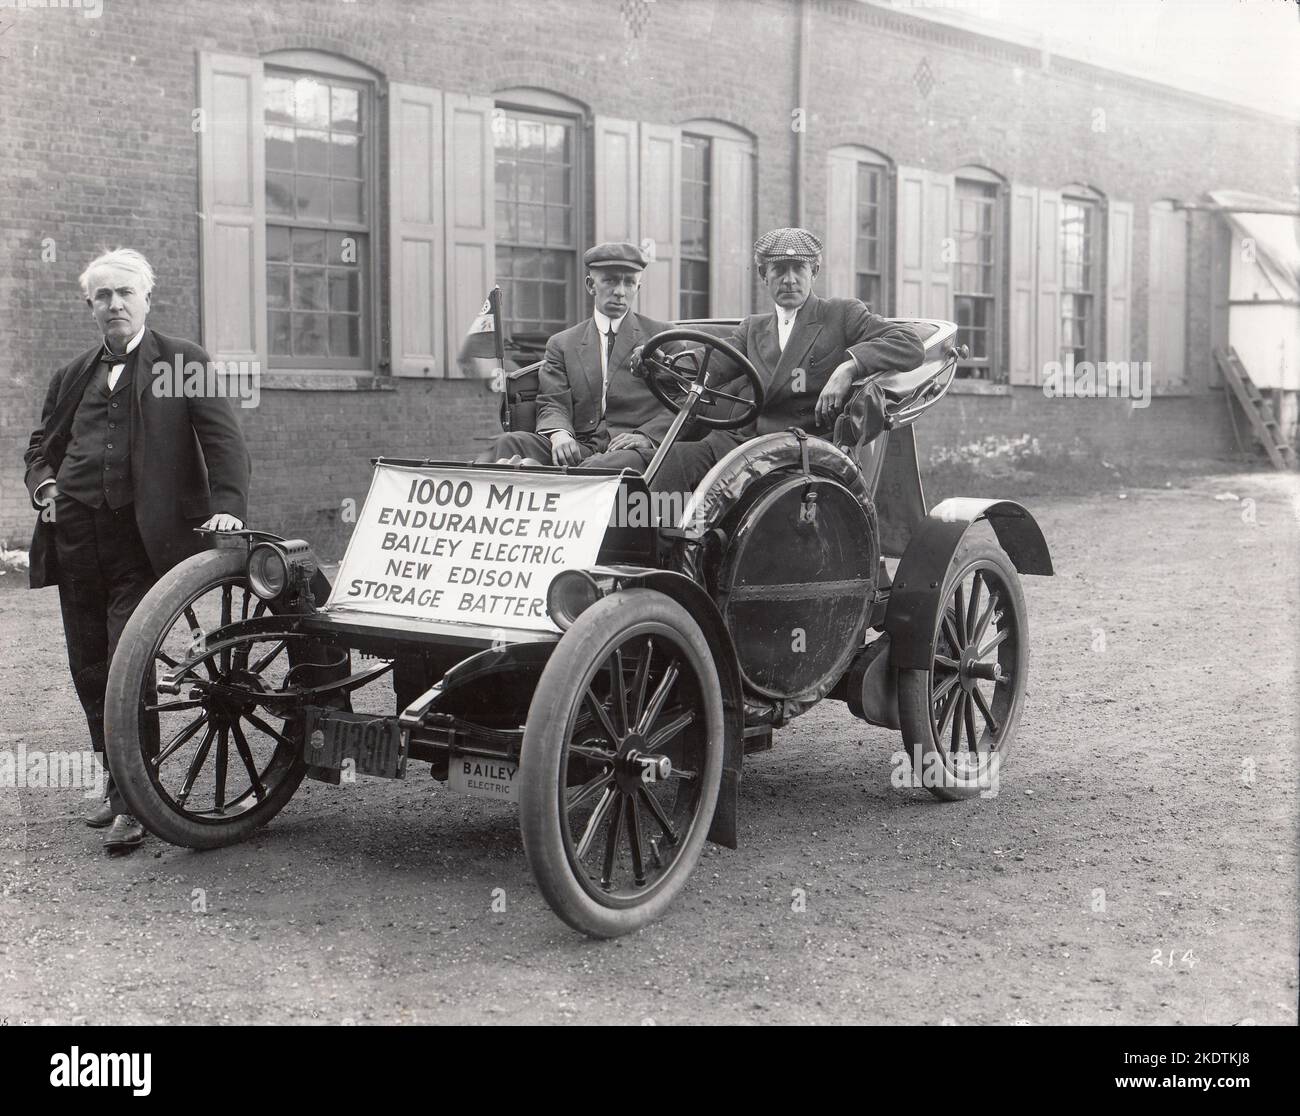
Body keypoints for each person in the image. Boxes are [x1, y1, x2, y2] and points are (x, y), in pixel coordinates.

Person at [23, 248, 250, 853]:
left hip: (142, 542)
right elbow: (41, 447)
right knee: (89, 666)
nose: (115, 304)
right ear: (90, 305)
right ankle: (113, 779)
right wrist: (45, 484)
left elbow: (222, 439)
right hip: (76, 537)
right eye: (103, 296)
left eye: (125, 293)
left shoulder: (182, 361)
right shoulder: (72, 374)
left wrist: (226, 504)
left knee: (129, 666)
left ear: (148, 298)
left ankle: (134, 799)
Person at [638, 227, 925, 496]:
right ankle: (654, 541)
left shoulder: (841, 315)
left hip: (801, 450)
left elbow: (908, 343)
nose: (789, 279)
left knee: (728, 495)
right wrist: (663, 363)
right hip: (742, 441)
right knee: (675, 460)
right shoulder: (753, 329)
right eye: (779, 270)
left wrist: (849, 366)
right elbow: (711, 364)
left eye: (798, 269)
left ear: (814, 272)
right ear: (764, 275)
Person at [479, 242, 676, 468]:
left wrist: (646, 436)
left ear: (637, 288)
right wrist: (560, 434)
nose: (620, 291)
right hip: (580, 445)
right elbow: (553, 401)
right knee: (508, 444)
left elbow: (683, 402)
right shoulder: (562, 343)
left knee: (595, 468)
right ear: (591, 285)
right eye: (610, 280)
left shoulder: (662, 337)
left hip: (631, 449)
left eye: (629, 282)